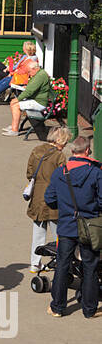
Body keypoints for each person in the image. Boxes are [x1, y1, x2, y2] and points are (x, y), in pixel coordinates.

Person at [43, 134, 102, 318]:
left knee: (62, 264)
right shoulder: (96, 172)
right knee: (90, 266)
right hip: (90, 225)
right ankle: (89, 309)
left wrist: (64, 208)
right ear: (87, 150)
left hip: (67, 225)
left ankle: (58, 307)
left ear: (72, 151)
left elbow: (49, 198)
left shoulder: (60, 172)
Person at [25, 126, 70, 271]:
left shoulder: (36, 150)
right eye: (65, 142)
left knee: (38, 233)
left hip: (37, 197)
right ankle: (61, 262)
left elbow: (29, 173)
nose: (65, 145)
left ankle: (35, 263)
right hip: (54, 199)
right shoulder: (59, 156)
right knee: (59, 233)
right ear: (60, 140)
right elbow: (64, 178)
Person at [1, 59, 53, 136]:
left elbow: (29, 92)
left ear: (34, 69)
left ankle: (14, 130)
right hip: (37, 100)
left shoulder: (40, 76)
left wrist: (17, 99)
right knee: (14, 103)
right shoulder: (39, 73)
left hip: (39, 103)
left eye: (29, 72)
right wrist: (27, 87)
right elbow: (32, 88)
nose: (29, 74)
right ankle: (14, 126)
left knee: (15, 104)